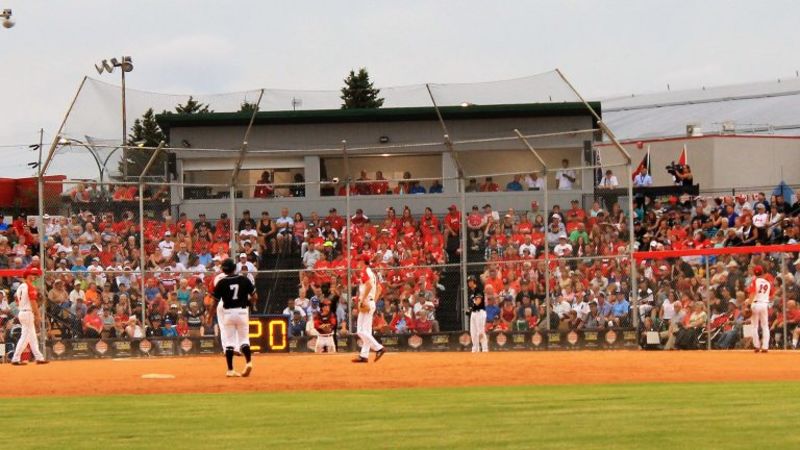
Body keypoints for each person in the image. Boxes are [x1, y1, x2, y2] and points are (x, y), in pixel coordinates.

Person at [212, 258, 257, 377]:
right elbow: (255, 296)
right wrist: (250, 303)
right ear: (235, 268)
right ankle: (248, 362)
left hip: (228, 313)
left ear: (224, 270)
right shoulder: (244, 279)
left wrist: (210, 315)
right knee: (244, 340)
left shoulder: (221, 282)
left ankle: (230, 370)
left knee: (229, 342)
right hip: (242, 312)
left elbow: (214, 302)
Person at [10, 267, 48, 365]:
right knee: (25, 337)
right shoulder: (29, 286)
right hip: (27, 313)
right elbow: (33, 302)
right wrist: (37, 315)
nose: (34, 276)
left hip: (23, 311)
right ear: (28, 276)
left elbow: (17, 301)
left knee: (32, 337)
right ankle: (15, 358)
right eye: (32, 275)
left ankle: (39, 357)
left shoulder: (20, 287)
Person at [352, 258, 386, 363]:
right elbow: (379, 288)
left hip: (366, 302)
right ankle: (364, 355)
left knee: (361, 331)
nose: (358, 262)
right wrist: (373, 302)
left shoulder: (365, 271)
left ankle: (379, 348)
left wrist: (363, 300)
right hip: (369, 302)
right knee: (364, 331)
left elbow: (369, 285)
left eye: (359, 261)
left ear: (363, 262)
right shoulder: (372, 273)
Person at [748, 265, 771, 353]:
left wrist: (748, 305)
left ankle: (757, 346)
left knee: (755, 326)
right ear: (762, 272)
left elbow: (752, 293)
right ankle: (765, 347)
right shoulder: (767, 283)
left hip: (755, 303)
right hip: (764, 304)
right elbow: (771, 294)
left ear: (754, 273)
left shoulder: (754, 281)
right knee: (765, 326)